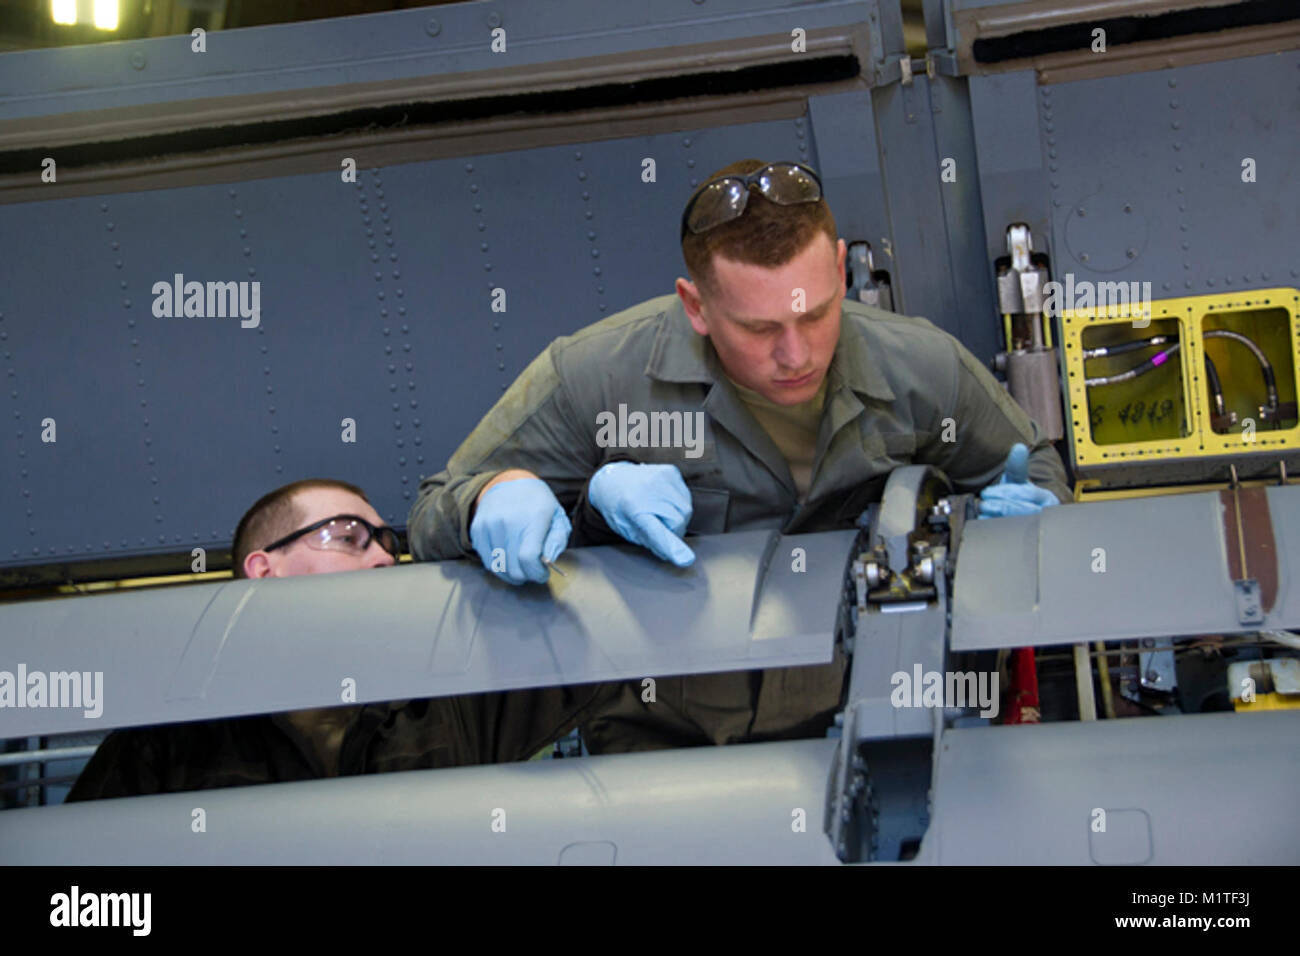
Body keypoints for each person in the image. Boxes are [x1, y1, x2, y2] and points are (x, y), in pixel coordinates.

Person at [408, 158, 1070, 752]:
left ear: (839, 270)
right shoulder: (598, 375)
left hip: (878, 715)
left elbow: (1037, 474)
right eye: (760, 329)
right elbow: (435, 508)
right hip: (671, 737)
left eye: (815, 314)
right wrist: (492, 498)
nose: (797, 353)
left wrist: (1021, 524)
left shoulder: (922, 367)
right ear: (695, 306)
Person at [67, 478, 608, 800]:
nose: (381, 558)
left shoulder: (449, 710)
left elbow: (589, 641)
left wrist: (598, 523)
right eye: (347, 537)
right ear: (264, 570)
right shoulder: (170, 746)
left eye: (386, 543)